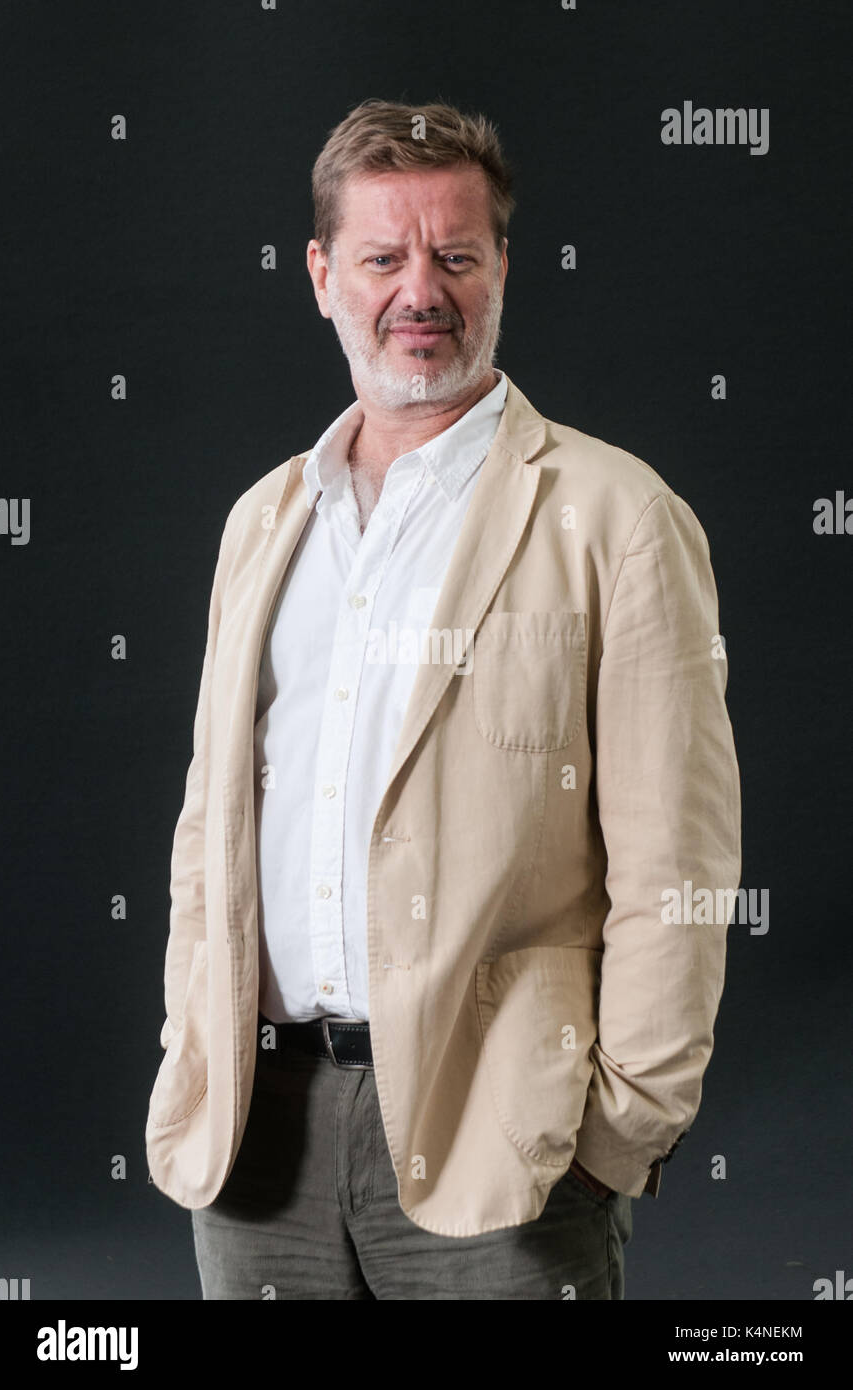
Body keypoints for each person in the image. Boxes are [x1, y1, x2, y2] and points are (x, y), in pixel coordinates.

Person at [145, 98, 742, 1300]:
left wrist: (613, 1138)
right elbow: (210, 832)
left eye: (454, 256)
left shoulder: (616, 520)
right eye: (381, 257)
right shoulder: (262, 523)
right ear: (321, 275)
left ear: (501, 268)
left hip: (506, 1148)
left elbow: (676, 863)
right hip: (258, 1145)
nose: (419, 290)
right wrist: (191, 1056)